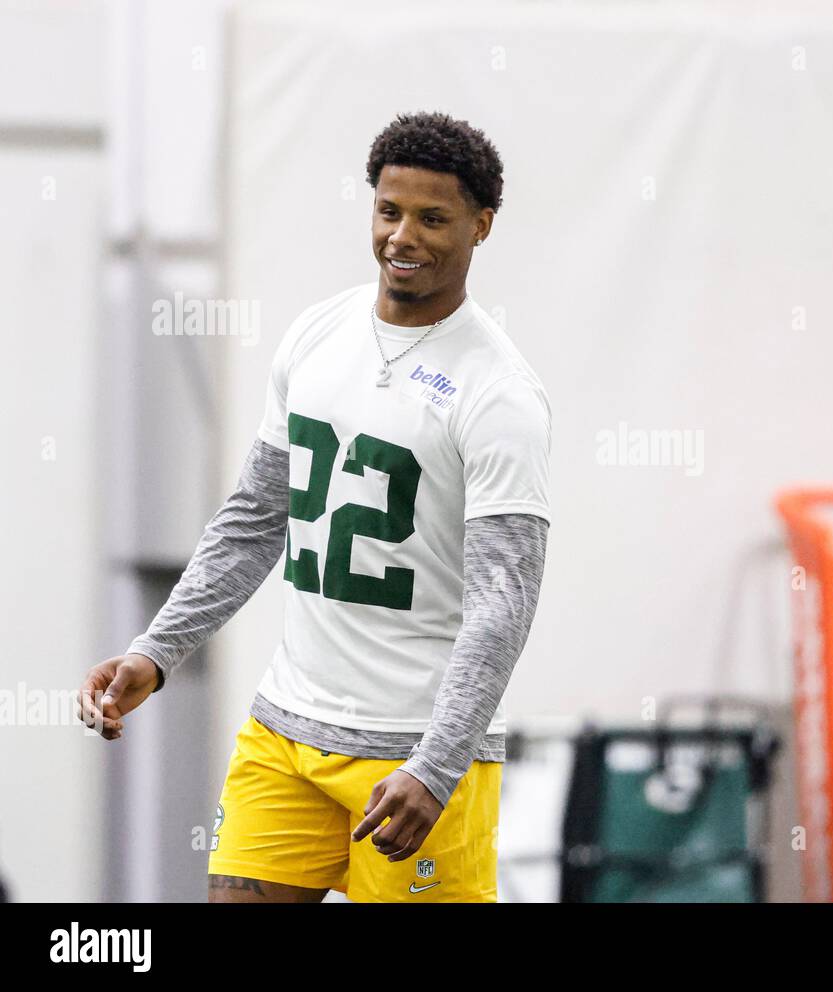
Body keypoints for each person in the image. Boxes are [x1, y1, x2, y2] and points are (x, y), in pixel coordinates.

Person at [77, 112, 551, 903]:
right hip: (285, 732)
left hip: (415, 754)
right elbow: (255, 520)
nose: (403, 236)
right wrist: (156, 651)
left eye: (433, 219)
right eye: (389, 210)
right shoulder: (316, 335)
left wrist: (436, 767)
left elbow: (503, 601)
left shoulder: (499, 393)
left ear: (482, 224)